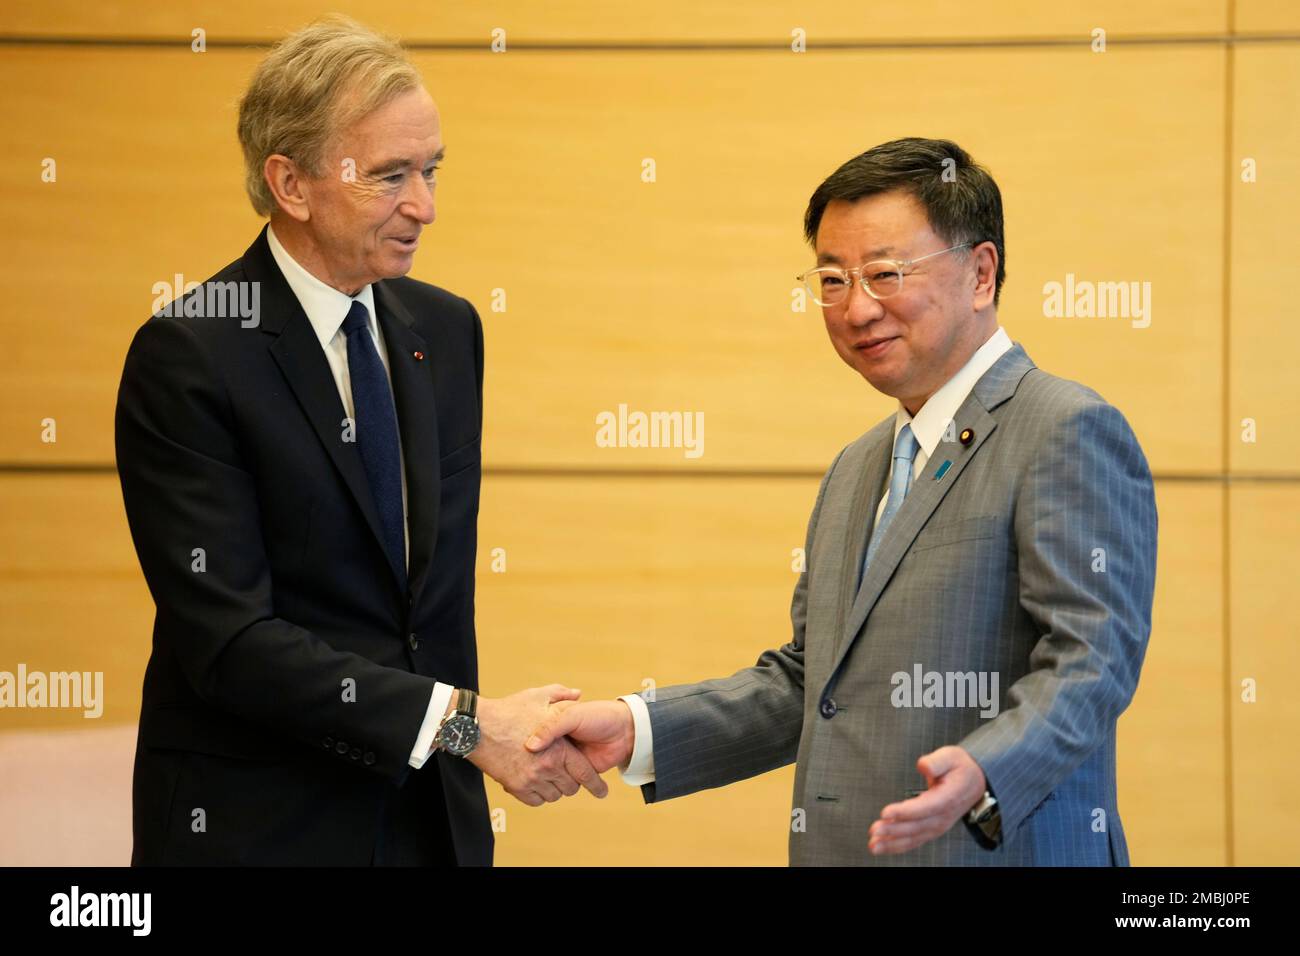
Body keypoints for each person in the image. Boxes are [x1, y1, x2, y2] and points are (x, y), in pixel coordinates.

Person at [528, 137, 1158, 866]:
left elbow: (1092, 660)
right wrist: (638, 730)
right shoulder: (858, 467)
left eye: (886, 274)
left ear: (980, 273)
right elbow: (812, 682)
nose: (856, 309)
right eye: (831, 280)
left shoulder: (1064, 428)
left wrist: (987, 771)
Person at [115, 14, 604, 867]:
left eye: (431, 170)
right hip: (260, 830)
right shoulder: (191, 351)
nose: (425, 205)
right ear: (291, 184)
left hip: (431, 824)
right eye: (390, 176)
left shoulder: (446, 331)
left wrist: (481, 740)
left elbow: (429, 612)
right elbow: (229, 642)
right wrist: (465, 723)